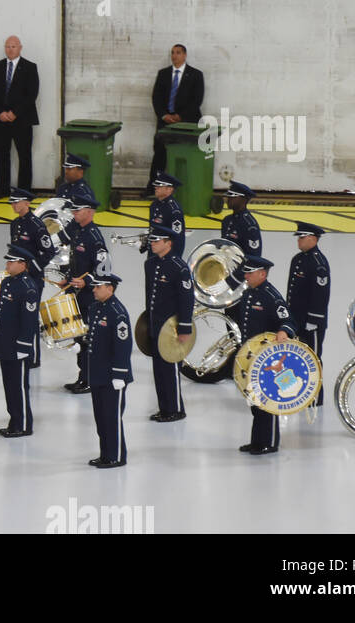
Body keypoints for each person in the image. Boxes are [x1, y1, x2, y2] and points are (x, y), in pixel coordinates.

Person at [233, 256, 296, 455]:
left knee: (266, 402)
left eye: (250, 273)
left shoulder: (271, 296)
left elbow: (289, 321)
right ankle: (257, 441)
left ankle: (269, 442)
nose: (246, 276)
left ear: (262, 274)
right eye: (246, 272)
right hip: (251, 356)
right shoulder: (249, 293)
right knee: (254, 401)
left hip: (266, 358)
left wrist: (284, 331)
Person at [53, 193, 110, 394]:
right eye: (74, 210)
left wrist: (86, 281)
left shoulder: (95, 237)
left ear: (89, 212)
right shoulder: (78, 231)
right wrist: (68, 279)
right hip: (76, 294)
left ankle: (90, 379)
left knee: (88, 338)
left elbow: (104, 271)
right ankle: (83, 376)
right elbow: (76, 262)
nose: (74, 213)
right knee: (79, 337)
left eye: (78, 210)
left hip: (89, 296)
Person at [143, 224, 194, 422]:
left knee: (171, 368)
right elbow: (150, 296)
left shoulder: (179, 267)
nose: (153, 244)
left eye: (156, 241)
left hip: (172, 328)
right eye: (152, 241)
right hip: (156, 325)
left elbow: (186, 299)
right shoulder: (150, 264)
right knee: (158, 369)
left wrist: (184, 328)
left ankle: (175, 409)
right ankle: (164, 407)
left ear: (168, 243)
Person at [0, 244, 42, 437]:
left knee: (19, 387)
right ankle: (13, 421)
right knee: (9, 386)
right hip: (5, 343)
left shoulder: (28, 288)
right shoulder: (7, 283)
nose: (7, 265)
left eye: (11, 262)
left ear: (22, 264)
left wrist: (24, 345)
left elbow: (29, 320)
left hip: (18, 346)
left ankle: (23, 425)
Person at [85, 273, 133, 468]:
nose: (94, 289)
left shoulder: (117, 312)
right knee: (101, 418)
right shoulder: (95, 308)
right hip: (98, 373)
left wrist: (119, 374)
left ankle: (117, 456)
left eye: (98, 287)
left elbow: (123, 345)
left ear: (110, 288)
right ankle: (105, 453)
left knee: (112, 418)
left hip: (113, 375)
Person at [146, 44, 204, 196]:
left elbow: (197, 100)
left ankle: (187, 190)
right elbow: (156, 98)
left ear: (185, 55)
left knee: (186, 155)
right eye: (172, 53)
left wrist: (181, 116)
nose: (174, 56)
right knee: (159, 155)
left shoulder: (196, 75)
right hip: (165, 122)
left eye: (178, 53)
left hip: (187, 122)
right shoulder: (163, 74)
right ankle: (153, 189)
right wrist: (164, 115)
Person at [0, 36, 40, 198]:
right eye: (7, 46)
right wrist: (0, 112)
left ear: (20, 48)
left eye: (13, 46)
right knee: (1, 156)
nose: (10, 49)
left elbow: (32, 94)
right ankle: (2, 190)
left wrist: (15, 112)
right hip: (0, 120)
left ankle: (24, 191)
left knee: (24, 156)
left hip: (22, 120)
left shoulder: (30, 67)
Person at [286, 222, 330, 407]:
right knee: (295, 357)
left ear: (313, 239)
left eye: (302, 238)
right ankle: (298, 392)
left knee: (312, 358)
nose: (299, 241)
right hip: (296, 319)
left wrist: (313, 319)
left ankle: (315, 397)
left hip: (310, 322)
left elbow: (321, 295)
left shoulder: (319, 264)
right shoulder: (298, 260)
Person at [8, 187, 54, 268]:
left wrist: (33, 267)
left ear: (27, 203)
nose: (13, 205)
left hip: (32, 274)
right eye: (12, 202)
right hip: (17, 271)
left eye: (16, 202)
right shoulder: (14, 223)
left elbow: (49, 252)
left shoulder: (37, 225)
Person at [146, 172, 186, 257]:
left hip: (167, 255)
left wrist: (174, 258)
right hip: (153, 253)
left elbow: (178, 238)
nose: (156, 187)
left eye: (160, 185)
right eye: (156, 185)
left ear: (169, 189)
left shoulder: (174, 210)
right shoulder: (154, 205)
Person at [221, 181, 262, 257]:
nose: (228, 199)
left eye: (232, 196)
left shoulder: (250, 225)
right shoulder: (226, 220)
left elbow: (254, 256)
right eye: (228, 196)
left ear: (243, 199)